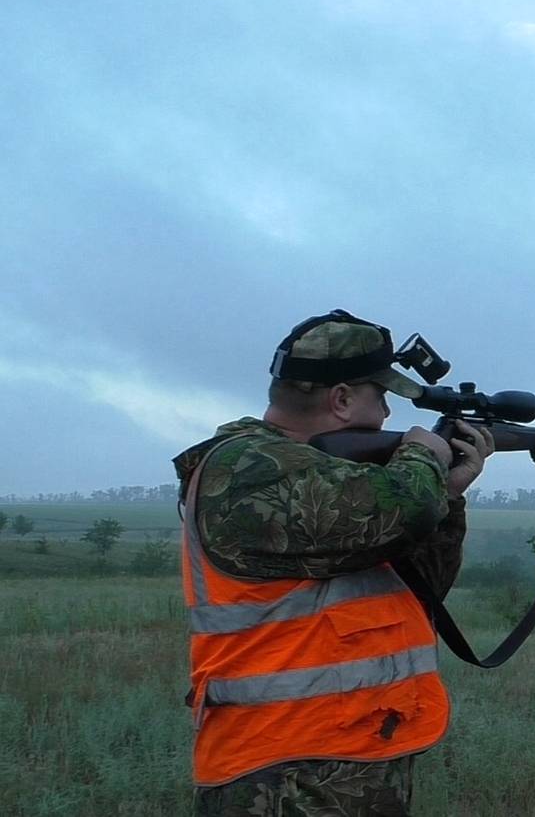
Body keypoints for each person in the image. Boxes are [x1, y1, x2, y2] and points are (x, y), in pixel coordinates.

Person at [172, 309, 495, 816]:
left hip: (347, 756)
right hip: (281, 772)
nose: (389, 415)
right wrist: (424, 456)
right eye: (381, 397)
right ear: (342, 399)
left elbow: (414, 591)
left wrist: (448, 495)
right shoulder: (249, 468)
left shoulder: (334, 484)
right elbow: (399, 507)